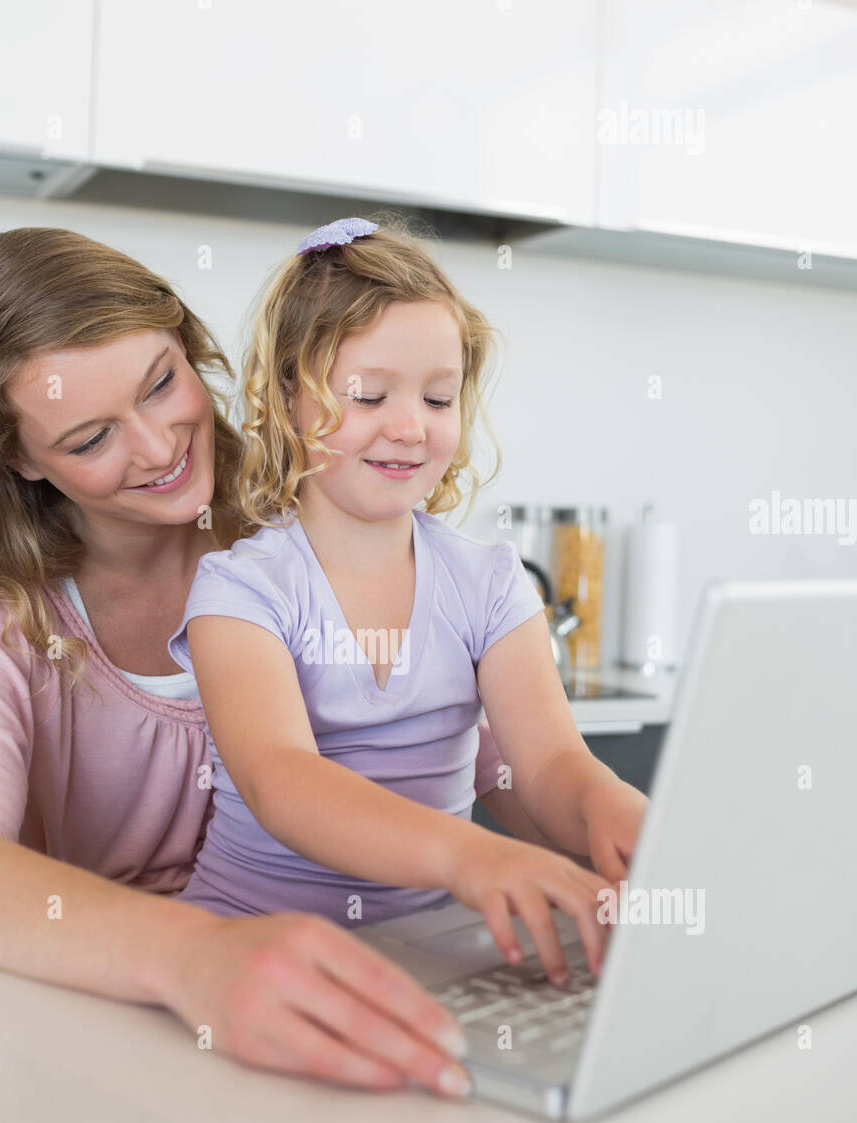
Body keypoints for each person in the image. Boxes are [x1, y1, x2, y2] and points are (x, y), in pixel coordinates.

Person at [0, 225, 574, 1102]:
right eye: (92, 439)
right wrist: (194, 955)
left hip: (308, 996)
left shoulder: (303, 529)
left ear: (189, 344)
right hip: (90, 1025)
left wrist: (609, 853)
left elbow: (477, 758)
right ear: (18, 458)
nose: (160, 446)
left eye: (162, 384)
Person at [171, 217, 648, 976]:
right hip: (245, 956)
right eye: (368, 396)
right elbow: (281, 779)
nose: (409, 427)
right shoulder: (242, 589)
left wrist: (604, 802)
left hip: (431, 956)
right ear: (290, 397)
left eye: (437, 398)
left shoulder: (492, 582)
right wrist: (470, 856)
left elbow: (549, 760)